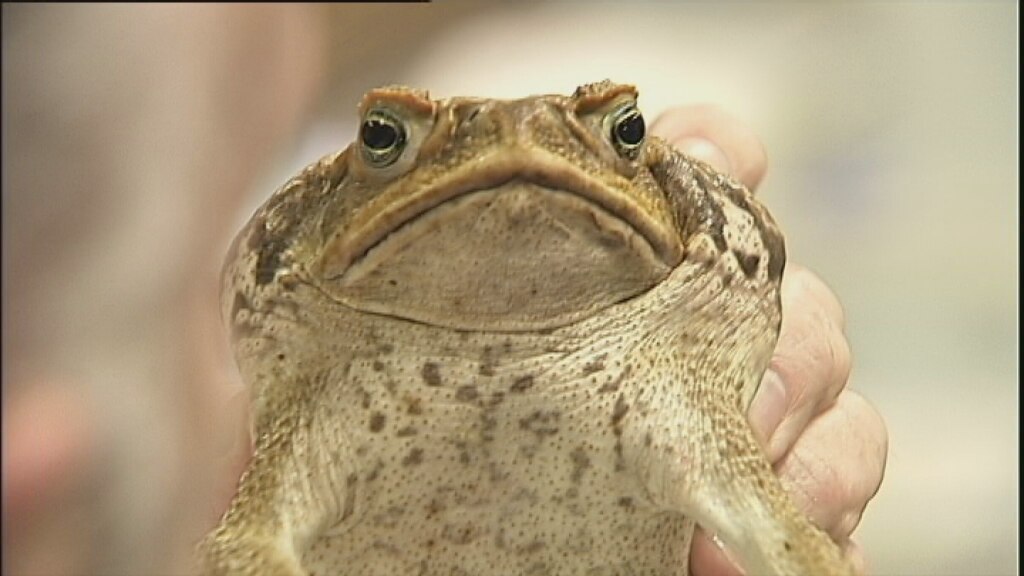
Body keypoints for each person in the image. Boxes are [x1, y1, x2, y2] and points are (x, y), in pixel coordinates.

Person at [1, 5, 887, 575]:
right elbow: (243, 551)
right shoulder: (314, 380)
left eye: (617, 134)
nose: (516, 156)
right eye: (389, 141)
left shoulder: (680, 363)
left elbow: (796, 552)